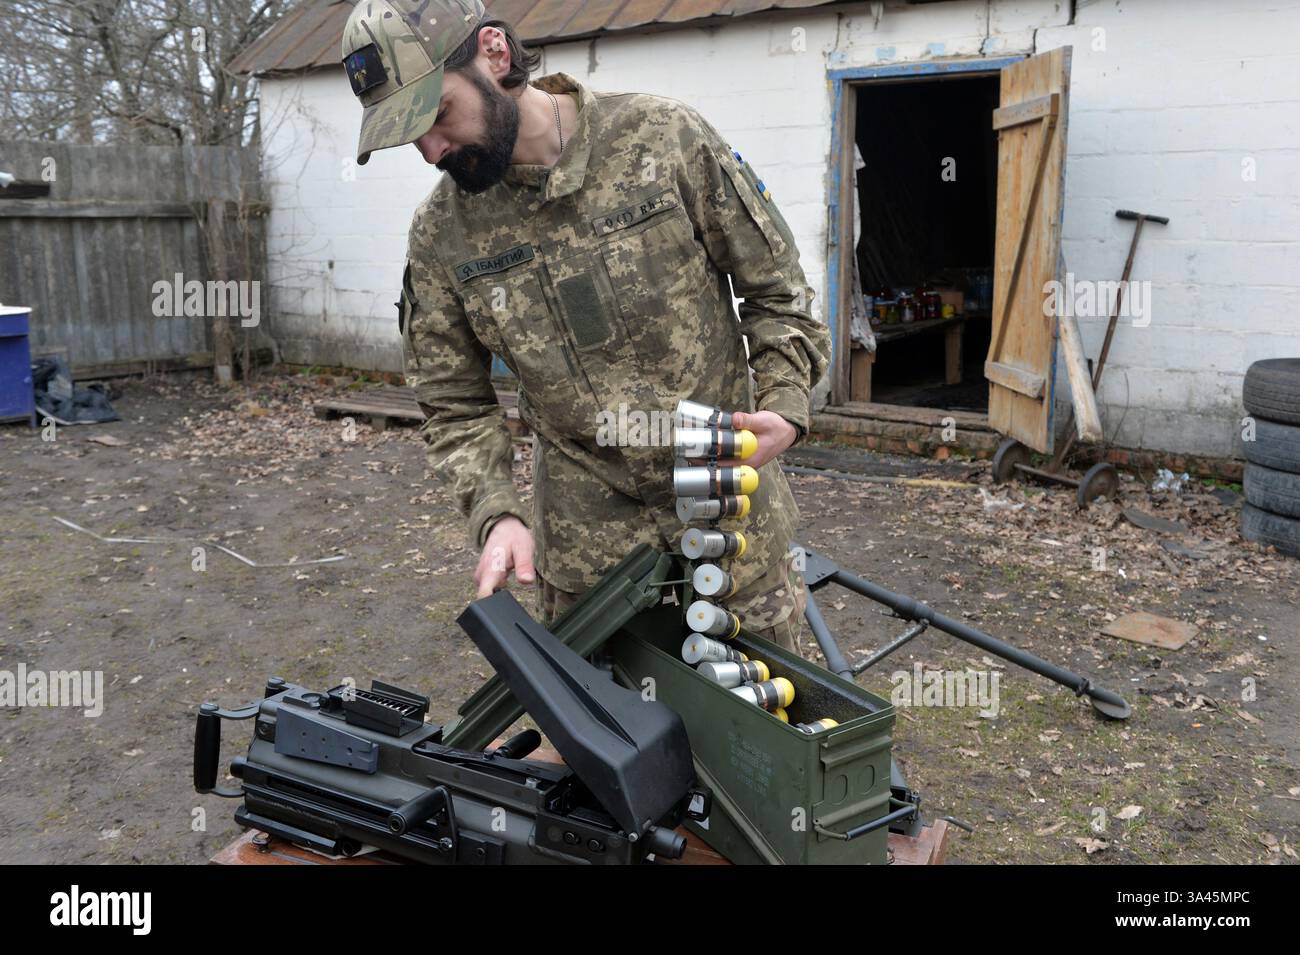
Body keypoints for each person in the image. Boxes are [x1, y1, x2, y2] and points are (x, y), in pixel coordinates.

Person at [342, 0, 831, 654]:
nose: (431, 150)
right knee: (601, 746)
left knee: (770, 736)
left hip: (733, 523)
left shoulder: (664, 140)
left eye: (437, 115)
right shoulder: (442, 235)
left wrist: (785, 402)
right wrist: (497, 513)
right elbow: (453, 403)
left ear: (494, 53)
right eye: (413, 137)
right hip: (589, 570)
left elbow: (777, 289)